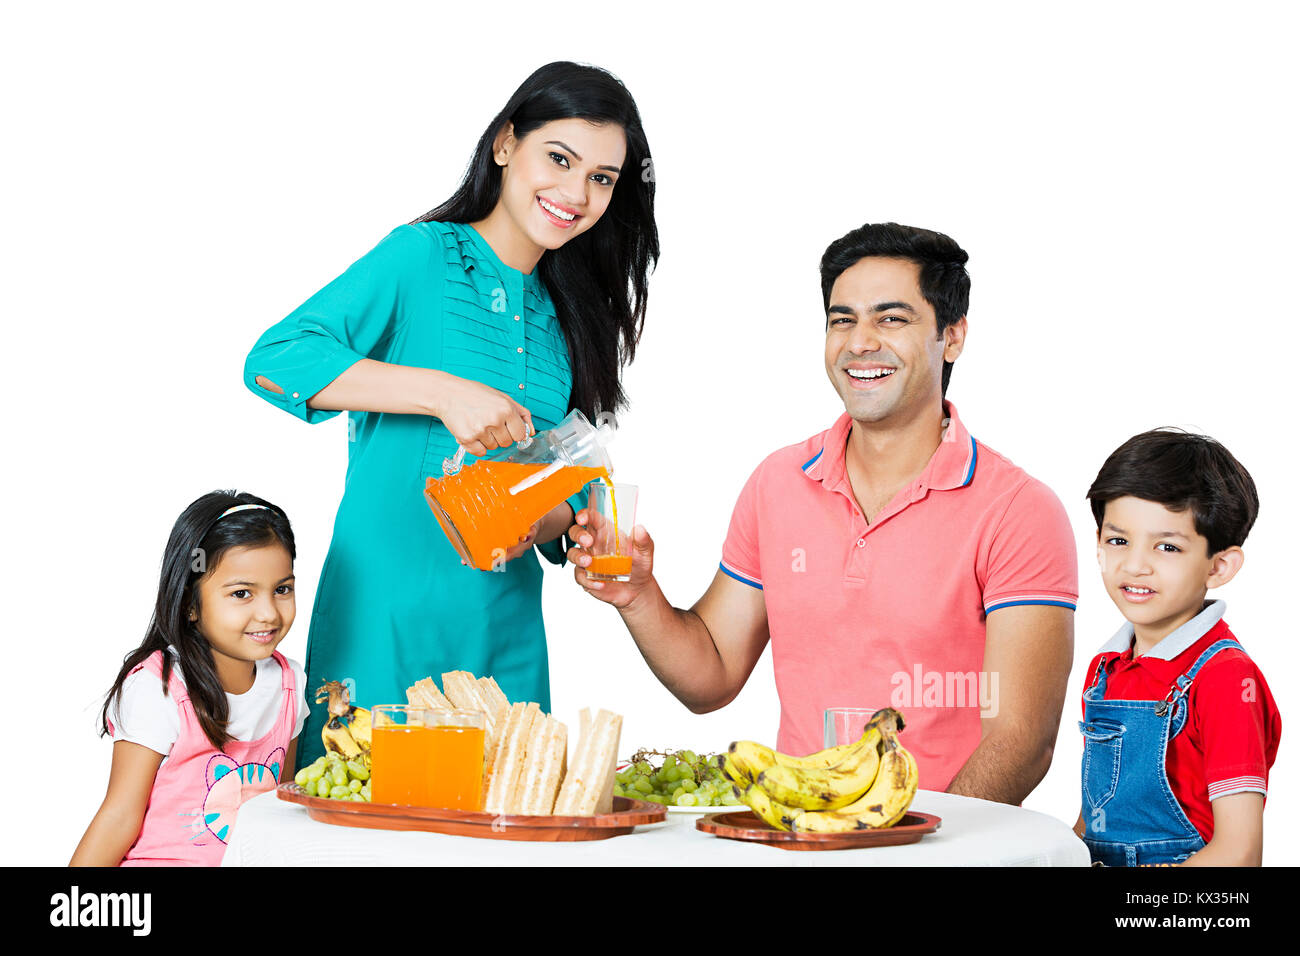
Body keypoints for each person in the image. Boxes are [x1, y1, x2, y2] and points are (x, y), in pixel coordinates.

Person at [568, 222, 1077, 803]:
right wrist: (639, 594)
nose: (860, 341)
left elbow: (1022, 739)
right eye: (843, 319)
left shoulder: (1018, 510)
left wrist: (933, 852)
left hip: (944, 847)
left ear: (952, 337)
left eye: (892, 318)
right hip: (802, 840)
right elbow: (710, 677)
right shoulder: (778, 483)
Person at [243, 62, 658, 767]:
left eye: (601, 178)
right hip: (385, 620)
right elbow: (276, 358)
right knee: (359, 826)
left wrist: (552, 519)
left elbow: (562, 482)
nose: (576, 192)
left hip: (505, 637)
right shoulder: (422, 257)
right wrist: (443, 393)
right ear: (504, 144)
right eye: (559, 159)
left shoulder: (568, 320)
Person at [1074, 429, 1281, 866]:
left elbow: (1239, 852)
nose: (1135, 564)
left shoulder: (1225, 678)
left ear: (1219, 566)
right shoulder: (1105, 669)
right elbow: (1093, 821)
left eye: (1167, 546)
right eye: (1118, 540)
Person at [70, 492, 308, 866]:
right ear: (190, 605)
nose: (268, 613)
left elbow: (280, 804)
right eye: (242, 593)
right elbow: (118, 818)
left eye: (282, 589)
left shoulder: (290, 683)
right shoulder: (158, 688)